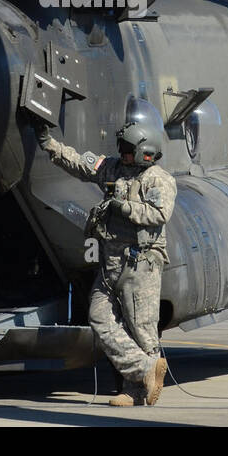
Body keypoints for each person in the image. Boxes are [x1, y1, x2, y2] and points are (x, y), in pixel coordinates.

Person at [33, 115, 176, 406]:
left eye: (127, 148)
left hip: (140, 265)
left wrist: (123, 207)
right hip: (111, 263)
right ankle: (145, 370)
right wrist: (48, 144)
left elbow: (159, 215)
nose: (122, 153)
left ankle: (136, 391)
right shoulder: (113, 168)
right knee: (99, 317)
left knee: (143, 331)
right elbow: (80, 164)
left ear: (143, 150)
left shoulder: (158, 179)